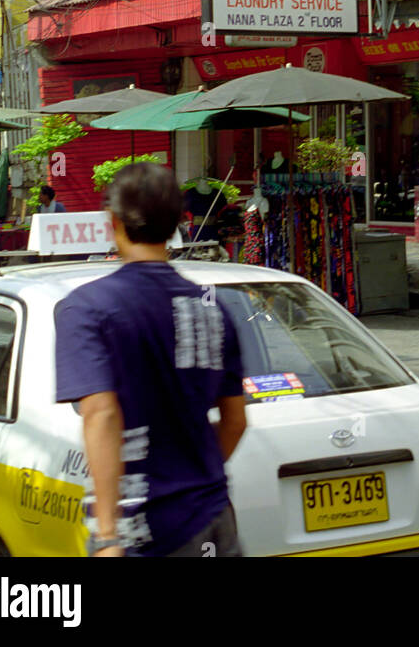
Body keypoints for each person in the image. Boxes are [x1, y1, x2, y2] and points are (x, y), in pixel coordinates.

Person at [54, 162, 246, 558]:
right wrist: (191, 475)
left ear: (114, 222)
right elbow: (235, 421)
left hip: (140, 529)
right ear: (177, 222)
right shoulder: (213, 309)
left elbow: (102, 414)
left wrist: (107, 536)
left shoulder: (86, 309)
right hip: (212, 516)